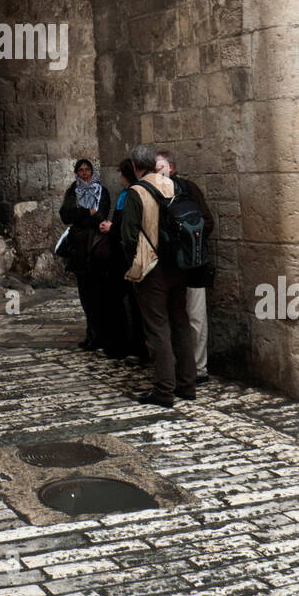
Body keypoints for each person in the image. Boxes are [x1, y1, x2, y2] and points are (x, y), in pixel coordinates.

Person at [120, 143, 197, 407]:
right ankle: (187, 384)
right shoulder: (173, 185)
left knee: (157, 328)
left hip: (151, 267)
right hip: (178, 264)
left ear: (134, 166)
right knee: (180, 323)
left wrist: (132, 262)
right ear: (155, 163)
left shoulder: (136, 192)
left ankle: (164, 388)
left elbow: (128, 235)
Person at [155, 150, 215, 382]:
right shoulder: (154, 193)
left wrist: (189, 242)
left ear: (171, 167)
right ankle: (177, 367)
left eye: (161, 166)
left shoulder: (189, 189)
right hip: (168, 266)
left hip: (194, 262)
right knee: (172, 318)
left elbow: (207, 222)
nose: (157, 171)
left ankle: (199, 368)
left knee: (196, 317)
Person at [98, 158, 148, 360]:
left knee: (132, 303)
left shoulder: (132, 194)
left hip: (127, 256)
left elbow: (130, 226)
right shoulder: (125, 194)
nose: (117, 176)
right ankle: (121, 344)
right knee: (118, 301)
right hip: (120, 255)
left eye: (120, 172)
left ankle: (135, 347)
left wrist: (112, 228)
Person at [59, 157, 111, 351]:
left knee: (99, 294)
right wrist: (85, 212)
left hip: (96, 246)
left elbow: (101, 214)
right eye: (80, 170)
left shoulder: (101, 191)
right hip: (79, 250)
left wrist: (86, 215)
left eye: (87, 169)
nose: (84, 173)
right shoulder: (73, 191)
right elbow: (66, 214)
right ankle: (91, 334)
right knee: (85, 296)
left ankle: (101, 335)